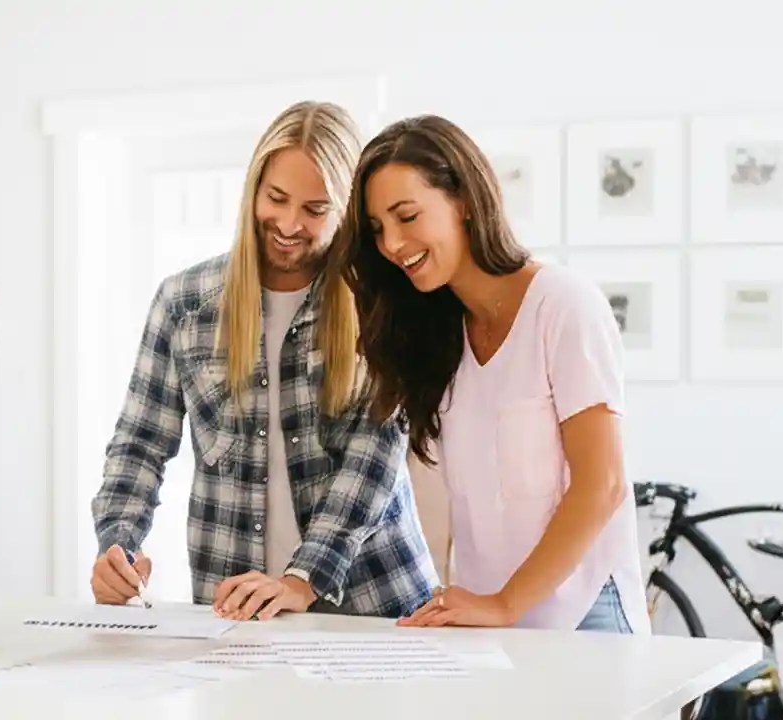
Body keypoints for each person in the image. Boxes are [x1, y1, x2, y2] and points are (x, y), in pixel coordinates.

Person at [90, 101, 438, 621]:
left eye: (315, 209)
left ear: (345, 212)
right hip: (235, 612)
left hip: (376, 606)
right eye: (276, 198)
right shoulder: (184, 304)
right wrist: (117, 544)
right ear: (254, 188)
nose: (288, 223)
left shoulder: (378, 303)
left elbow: (374, 457)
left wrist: (303, 578)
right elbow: (140, 443)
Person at [330, 114, 650, 634]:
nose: (391, 244)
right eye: (378, 229)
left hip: (585, 613)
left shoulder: (564, 305)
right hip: (487, 621)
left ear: (463, 201)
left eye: (407, 216)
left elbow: (603, 483)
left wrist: (505, 603)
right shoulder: (437, 335)